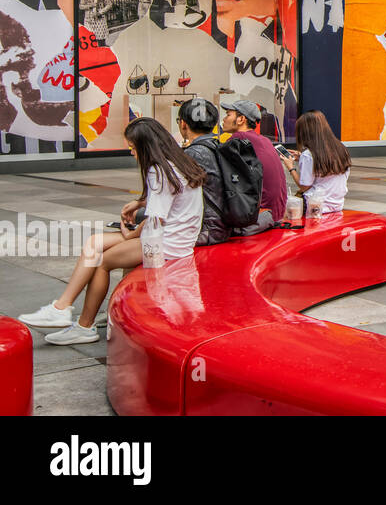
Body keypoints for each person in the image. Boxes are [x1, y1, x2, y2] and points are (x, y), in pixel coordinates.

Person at [18, 117, 205, 344]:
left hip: (165, 245)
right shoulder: (179, 164)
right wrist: (140, 203)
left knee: (102, 262)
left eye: (133, 148)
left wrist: (130, 234)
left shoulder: (158, 172)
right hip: (177, 239)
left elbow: (156, 223)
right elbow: (172, 204)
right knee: (95, 242)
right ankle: (62, 307)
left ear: (147, 147)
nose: (131, 153)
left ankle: (83, 326)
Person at [220, 98, 287, 234]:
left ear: (241, 119)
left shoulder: (237, 140)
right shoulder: (265, 140)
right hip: (277, 213)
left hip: (259, 217)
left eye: (228, 114)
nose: (224, 119)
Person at [177, 98, 229, 247]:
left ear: (183, 123)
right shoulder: (220, 146)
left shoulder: (193, 153)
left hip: (205, 230)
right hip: (225, 224)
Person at [282, 110, 351, 212]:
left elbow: (304, 186)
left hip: (315, 207)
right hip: (337, 204)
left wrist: (291, 167)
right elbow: (325, 162)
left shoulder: (308, 155)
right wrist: (301, 157)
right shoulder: (341, 148)